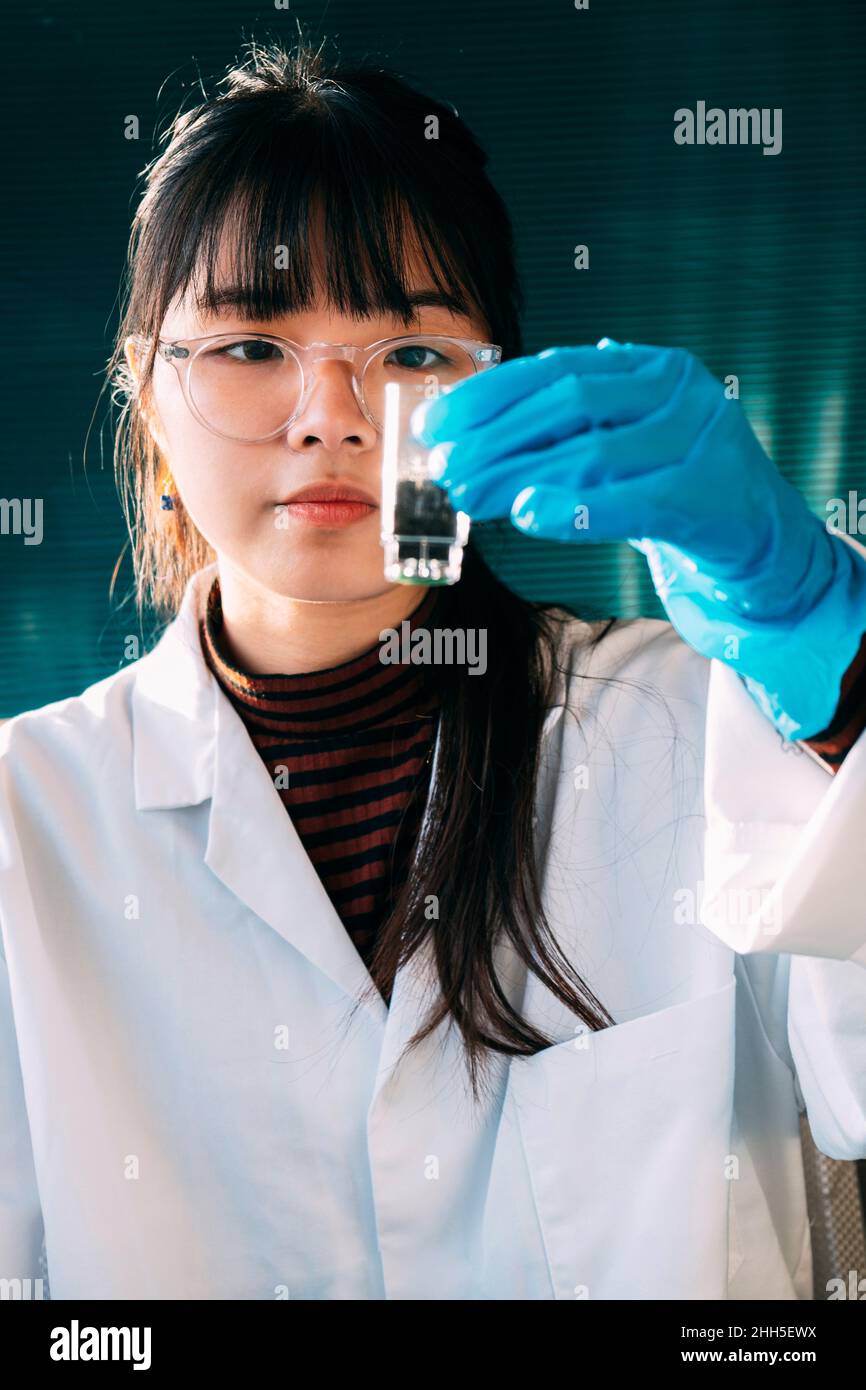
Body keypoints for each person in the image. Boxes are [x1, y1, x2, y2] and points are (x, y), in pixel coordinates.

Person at [1, 35, 865, 1303]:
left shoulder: (700, 725)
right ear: (146, 398)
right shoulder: (27, 816)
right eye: (249, 346)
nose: (330, 414)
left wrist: (830, 651)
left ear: (503, 390)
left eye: (410, 354)